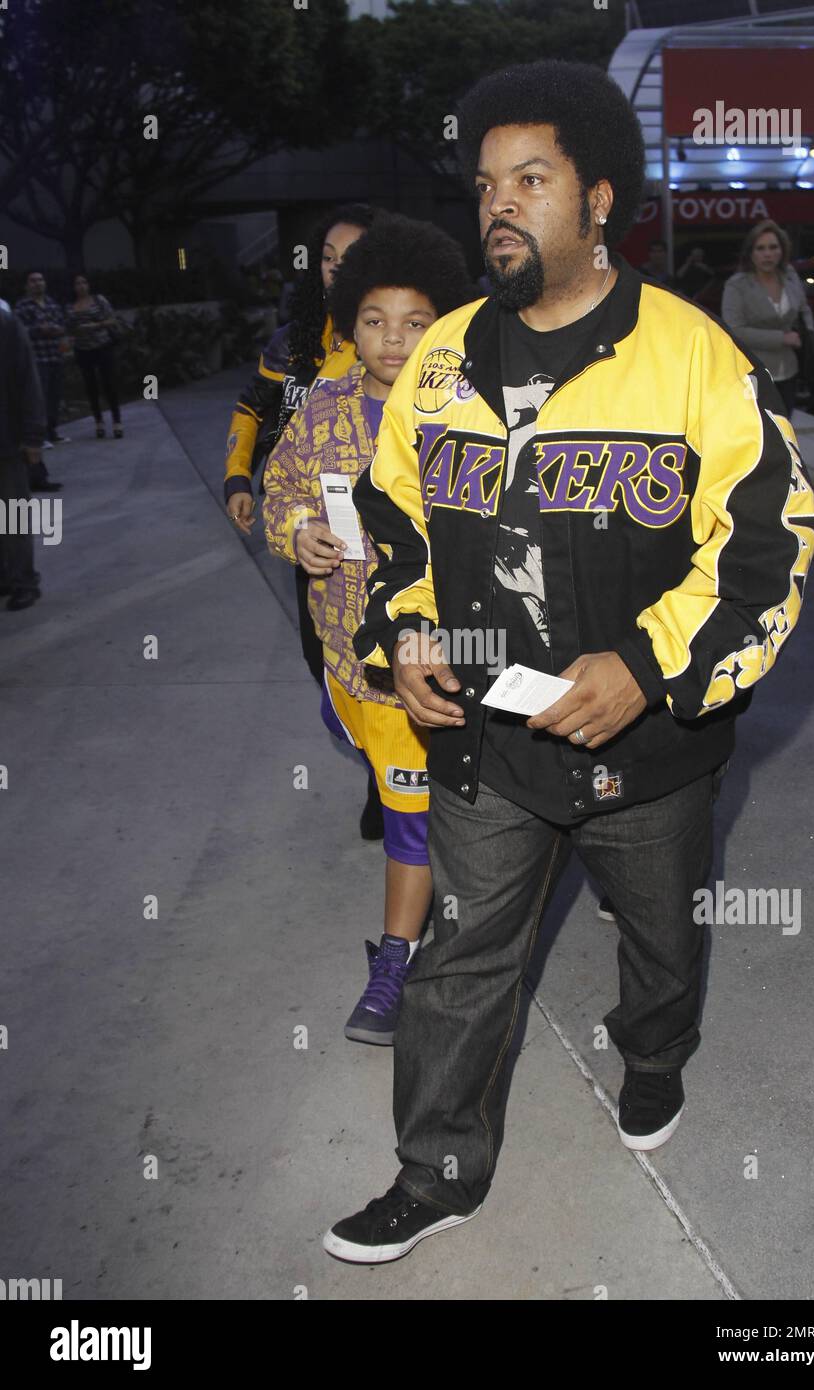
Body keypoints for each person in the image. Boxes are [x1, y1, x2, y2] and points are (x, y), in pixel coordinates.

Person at [322, 58, 814, 1264]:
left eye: (530, 178)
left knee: (658, 938)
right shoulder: (437, 359)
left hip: (648, 747)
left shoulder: (692, 356)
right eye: (487, 181)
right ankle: (437, 1169)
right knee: (460, 959)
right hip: (485, 737)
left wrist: (649, 667)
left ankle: (653, 1056)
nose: (499, 202)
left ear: (599, 200)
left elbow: (771, 545)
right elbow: (393, 520)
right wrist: (408, 631)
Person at [262, 213, 474, 1043]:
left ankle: (395, 960)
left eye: (414, 322)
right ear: (348, 324)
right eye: (374, 322)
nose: (392, 340)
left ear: (442, 324)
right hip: (340, 661)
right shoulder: (320, 409)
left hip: (412, 662)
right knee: (365, 755)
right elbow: (282, 491)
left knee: (406, 819)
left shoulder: (463, 414)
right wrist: (296, 533)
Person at [224, 204, 382, 836]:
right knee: (323, 660)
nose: (339, 271)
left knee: (385, 655)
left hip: (382, 532)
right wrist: (239, 477)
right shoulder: (292, 340)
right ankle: (376, 760)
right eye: (329, 259)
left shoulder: (400, 335)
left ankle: (394, 783)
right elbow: (253, 405)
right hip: (304, 530)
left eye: (356, 259)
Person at [721, 220, 814, 420]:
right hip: (754, 373)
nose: (768, 254)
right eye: (761, 248)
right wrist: (781, 338)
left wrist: (809, 333)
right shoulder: (737, 285)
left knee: (785, 433)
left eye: (773, 247)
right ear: (751, 253)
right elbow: (735, 330)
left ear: (782, 251)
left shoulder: (789, 276)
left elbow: (804, 307)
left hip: (789, 370)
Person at [0, 306, 46, 610]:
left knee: (12, 516)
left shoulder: (6, 325)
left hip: (6, 440)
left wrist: (32, 437)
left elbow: (28, 381)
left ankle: (24, 581)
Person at [15, 271, 68, 447]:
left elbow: (62, 325)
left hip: (55, 356)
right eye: (33, 281)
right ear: (27, 285)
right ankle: (41, 436)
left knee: (55, 396)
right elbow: (20, 332)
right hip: (37, 359)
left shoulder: (52, 304)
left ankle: (53, 432)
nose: (38, 283)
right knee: (40, 398)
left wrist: (57, 330)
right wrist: (40, 330)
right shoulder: (22, 306)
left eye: (40, 280)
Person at [66, 275, 123, 439]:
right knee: (91, 387)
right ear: (73, 287)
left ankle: (117, 421)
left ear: (89, 284)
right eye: (77, 283)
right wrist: (75, 332)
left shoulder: (98, 300)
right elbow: (68, 328)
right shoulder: (70, 306)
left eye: (84, 282)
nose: (81, 286)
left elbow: (113, 320)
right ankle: (99, 422)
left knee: (109, 384)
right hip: (83, 350)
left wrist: (95, 325)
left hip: (103, 347)